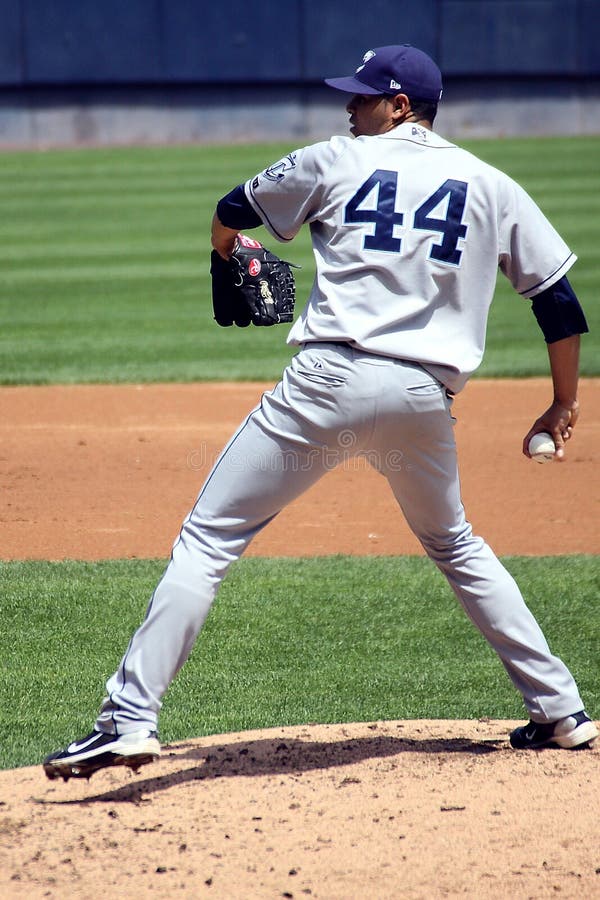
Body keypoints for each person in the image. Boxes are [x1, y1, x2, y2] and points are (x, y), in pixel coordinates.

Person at [44, 44, 597, 780]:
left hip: (327, 385)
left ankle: (126, 721)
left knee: (209, 540)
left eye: (364, 97)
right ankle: (561, 710)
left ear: (402, 106)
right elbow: (558, 301)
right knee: (455, 543)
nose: (349, 107)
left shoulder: (337, 159)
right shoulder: (493, 184)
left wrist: (227, 251)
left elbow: (229, 209)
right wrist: (563, 402)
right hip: (422, 401)